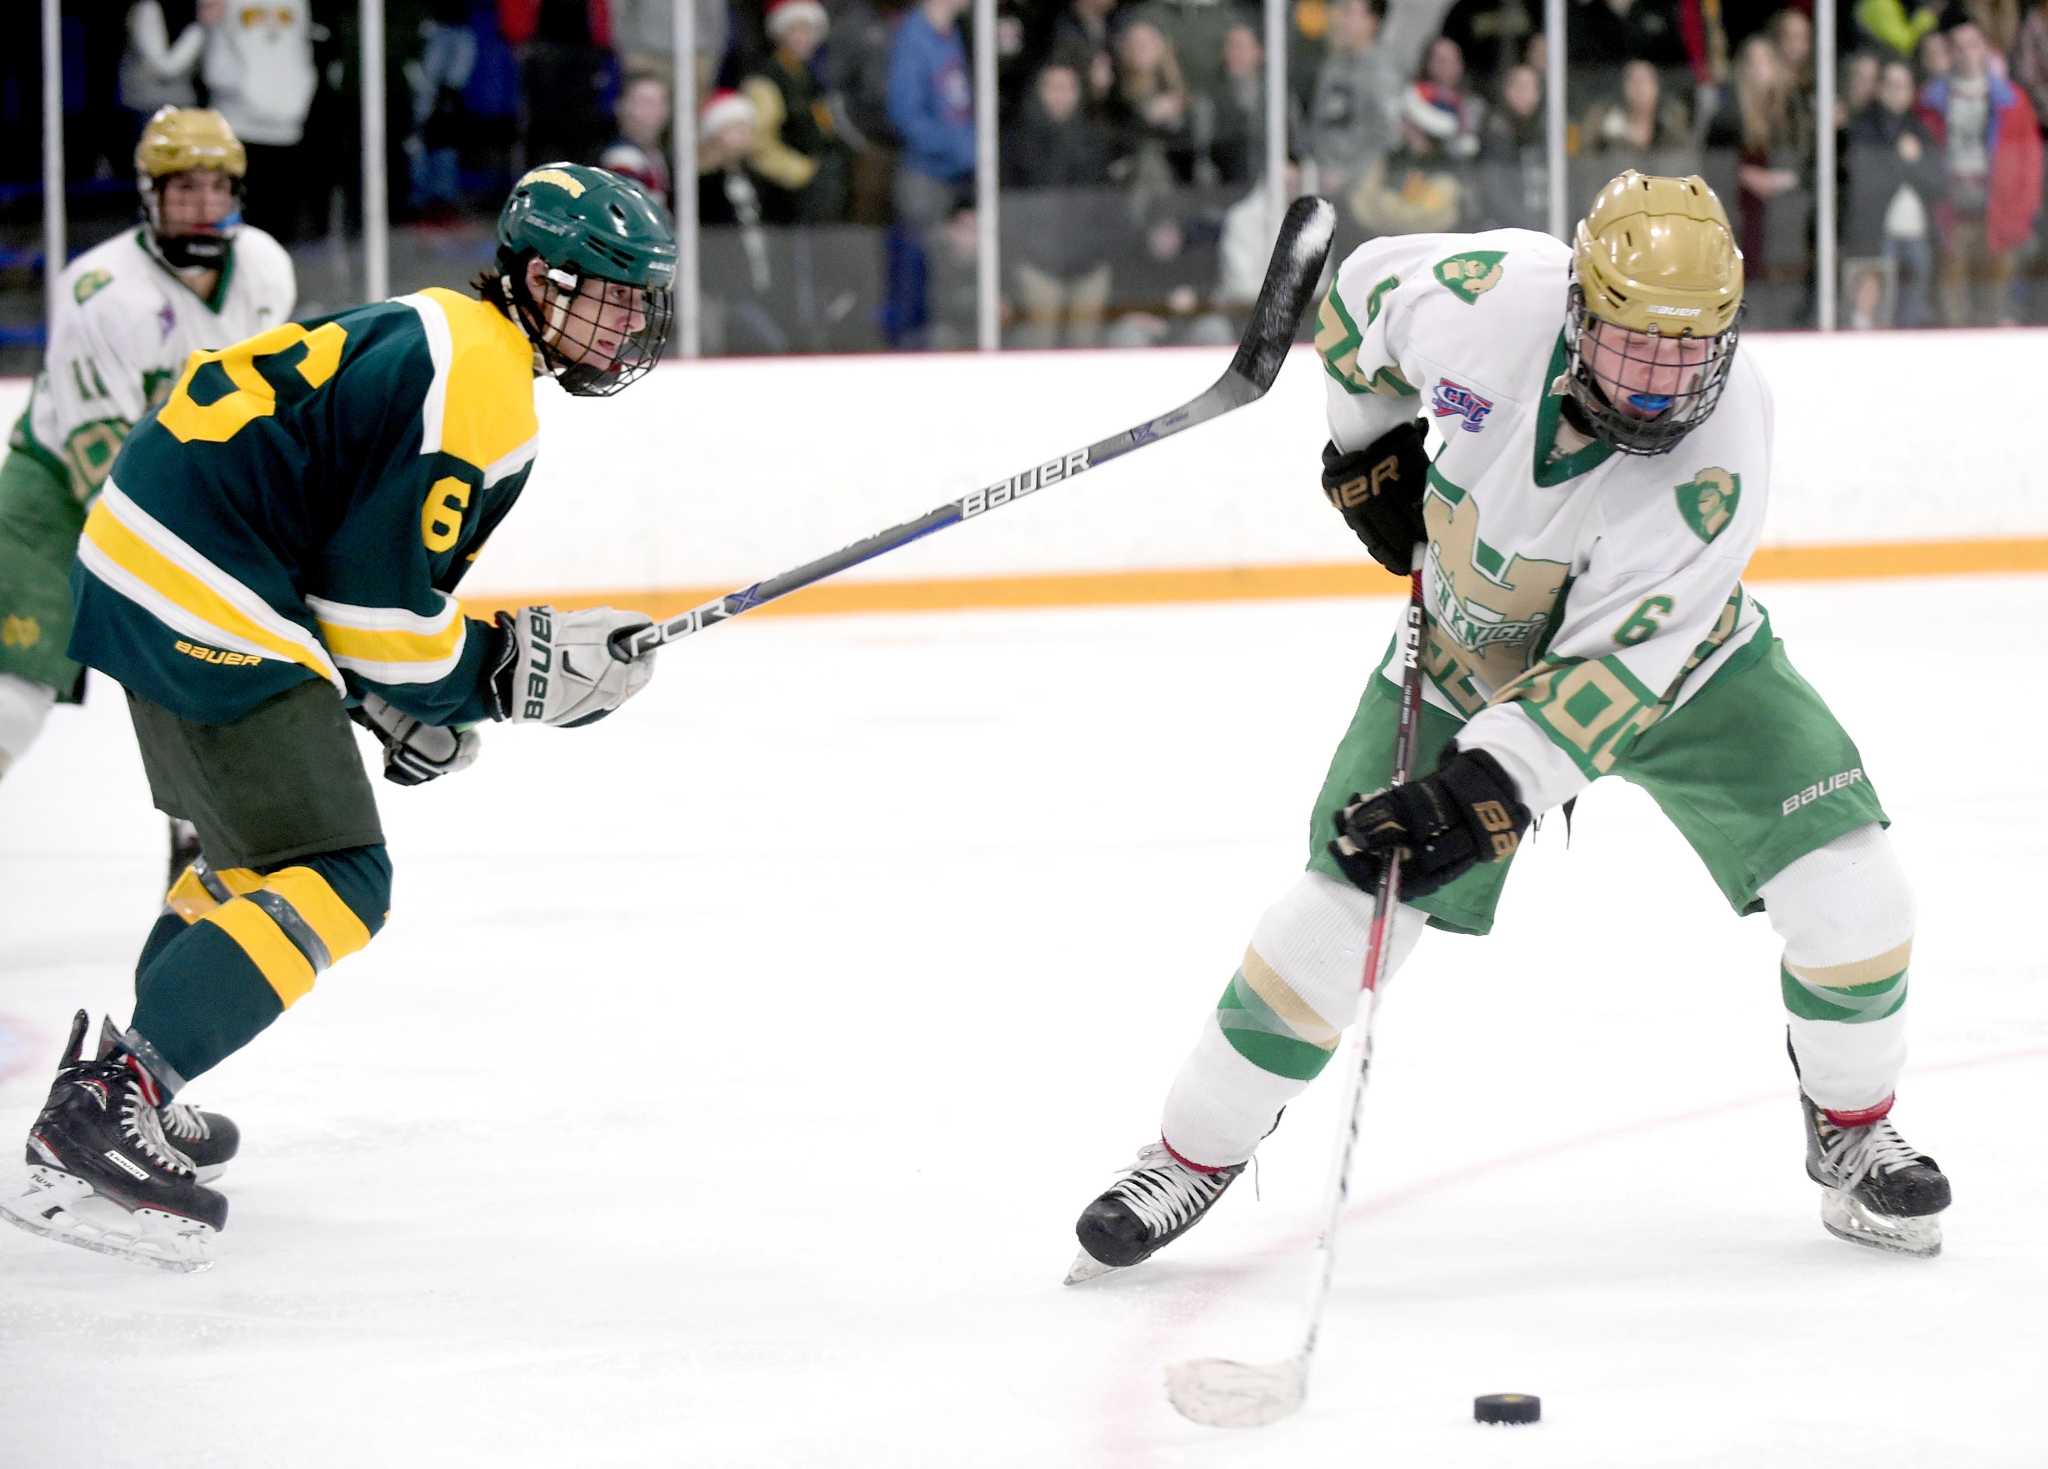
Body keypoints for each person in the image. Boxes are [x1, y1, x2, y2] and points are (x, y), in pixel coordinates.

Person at [1068, 172, 1952, 1282]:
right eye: (1632, 344)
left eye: (1688, 352)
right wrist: (1365, 447)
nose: (1657, 383)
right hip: (1457, 649)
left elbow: (1613, 678)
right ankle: (1188, 1153)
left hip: (1678, 667)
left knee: (1853, 884)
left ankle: (1852, 1124)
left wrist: (1474, 794)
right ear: (1580, 306)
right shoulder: (1487, 294)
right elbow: (1353, 307)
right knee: (1337, 916)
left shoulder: (1722, 446)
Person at [0, 163, 676, 1273]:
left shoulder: (447, 332)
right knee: (340, 870)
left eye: (637, 298)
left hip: (155, 551)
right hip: (199, 576)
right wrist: (501, 676)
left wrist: (403, 687)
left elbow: (344, 567)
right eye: (605, 290)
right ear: (536, 280)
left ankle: (137, 1074)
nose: (627, 320)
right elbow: (377, 614)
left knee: (254, 852)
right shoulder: (488, 382)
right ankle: (109, 1103)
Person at [0, 108, 294, 887]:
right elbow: (101, 462)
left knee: (208, 666)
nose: (202, 204)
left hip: (188, 506)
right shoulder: (102, 293)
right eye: (184, 187)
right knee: (10, 702)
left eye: (218, 186)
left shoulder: (263, 268)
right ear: (149, 194)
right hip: (59, 501)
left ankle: (200, 847)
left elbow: (269, 407)